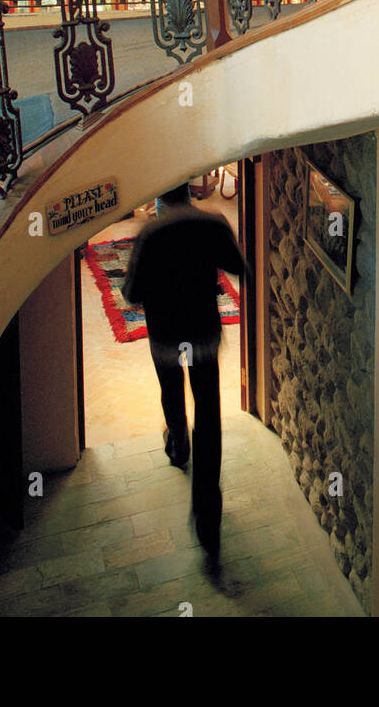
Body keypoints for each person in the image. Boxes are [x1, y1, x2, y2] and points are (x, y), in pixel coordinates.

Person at [121, 181, 244, 568]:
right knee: (208, 415)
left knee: (171, 394)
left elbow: (131, 293)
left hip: (166, 338)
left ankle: (177, 445)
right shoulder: (213, 223)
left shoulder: (150, 234)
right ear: (190, 193)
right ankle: (209, 515)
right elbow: (239, 268)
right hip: (204, 337)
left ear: (159, 199)